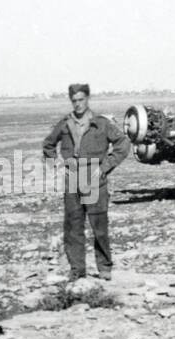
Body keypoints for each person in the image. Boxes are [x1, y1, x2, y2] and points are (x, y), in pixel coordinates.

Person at [42, 83, 130, 280]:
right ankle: (77, 270)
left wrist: (106, 167)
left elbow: (123, 144)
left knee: (99, 226)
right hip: (72, 178)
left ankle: (105, 268)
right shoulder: (64, 124)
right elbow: (48, 144)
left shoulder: (101, 123)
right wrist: (56, 165)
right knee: (73, 227)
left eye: (81, 100)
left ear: (87, 99)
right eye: (74, 101)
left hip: (95, 179)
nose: (78, 104)